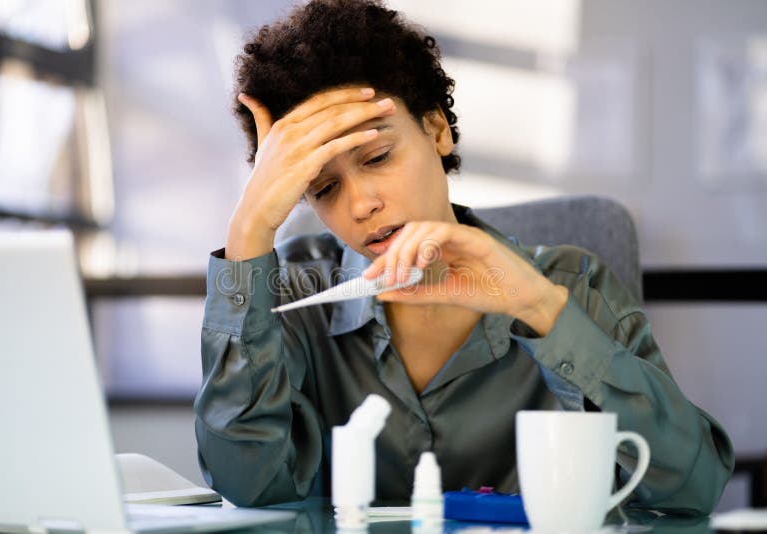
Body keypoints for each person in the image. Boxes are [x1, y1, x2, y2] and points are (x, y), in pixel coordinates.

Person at [194, 0, 733, 513]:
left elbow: (693, 487)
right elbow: (250, 485)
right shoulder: (290, 293)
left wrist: (544, 310)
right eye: (324, 189)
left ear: (437, 130)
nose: (361, 204)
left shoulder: (571, 283)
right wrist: (248, 230)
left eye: (378, 157)